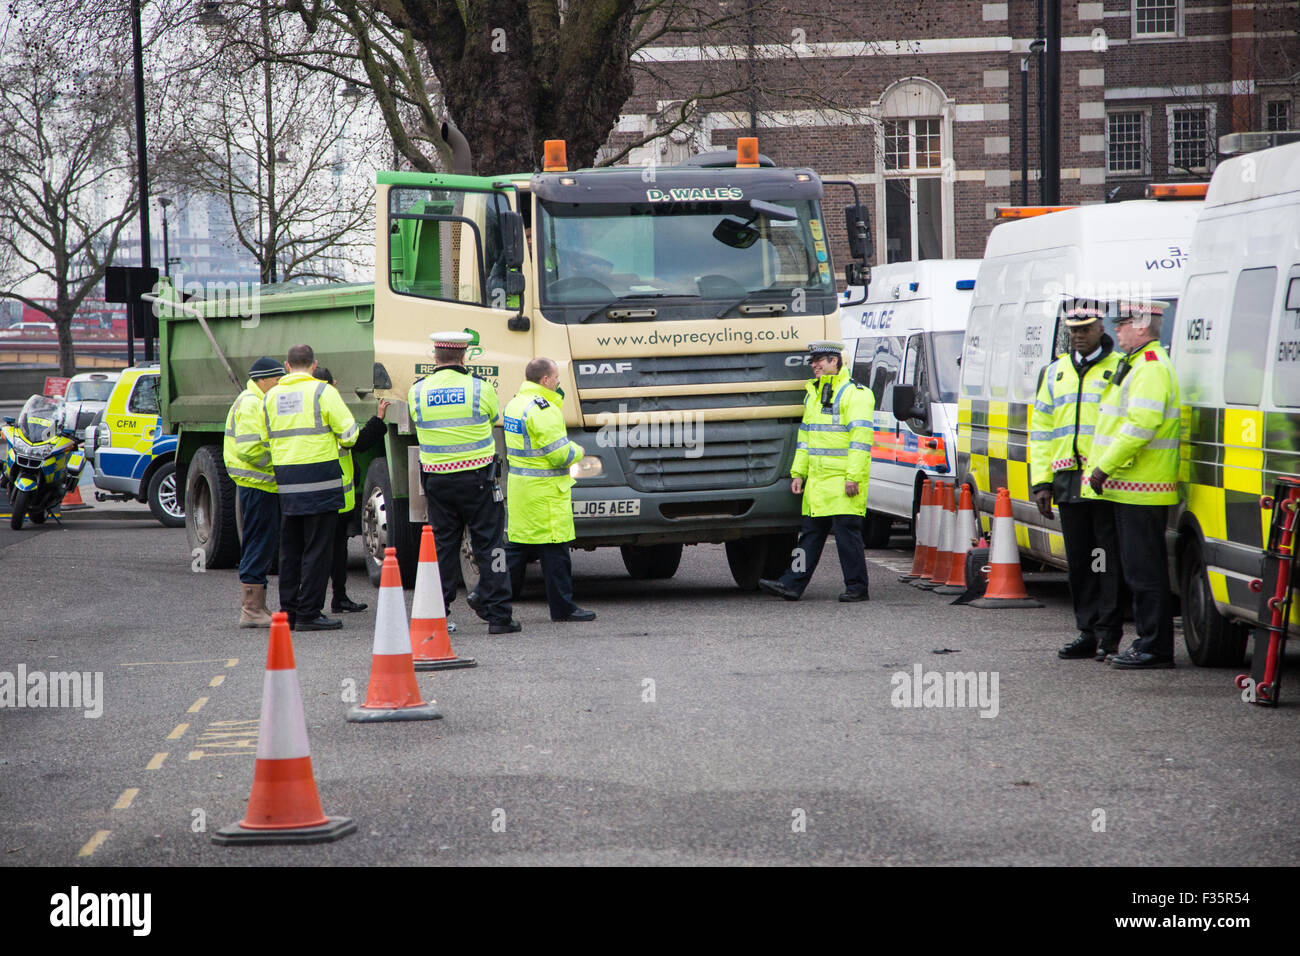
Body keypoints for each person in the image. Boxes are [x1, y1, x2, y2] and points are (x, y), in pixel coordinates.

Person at [1084, 300, 1180, 669]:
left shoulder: (1151, 368)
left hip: (1143, 486)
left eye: (1122, 324)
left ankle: (1154, 647)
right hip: (1131, 486)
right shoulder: (1139, 363)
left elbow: (1140, 425)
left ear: (1140, 326)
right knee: (1138, 569)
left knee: (1145, 571)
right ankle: (1148, 642)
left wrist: (1103, 467)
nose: (1116, 330)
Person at [1029, 300, 1125, 661]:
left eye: (1085, 329)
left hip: (1105, 482)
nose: (1079, 336)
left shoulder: (1120, 368)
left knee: (1105, 559)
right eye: (1073, 331)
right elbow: (1041, 431)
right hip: (1068, 480)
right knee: (1081, 562)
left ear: (1102, 328)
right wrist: (1041, 482)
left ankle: (1108, 634)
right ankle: (1086, 630)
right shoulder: (1055, 372)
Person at [408, 331, 519, 634]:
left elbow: (417, 421)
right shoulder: (479, 388)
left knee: (443, 547)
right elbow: (493, 416)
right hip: (478, 480)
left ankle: (438, 615)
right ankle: (498, 616)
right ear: (464, 356)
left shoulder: (416, 391)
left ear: (434, 357)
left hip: (437, 482)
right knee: (491, 546)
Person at [759, 340, 873, 601]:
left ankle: (857, 588)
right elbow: (806, 438)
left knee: (847, 536)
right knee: (809, 536)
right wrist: (798, 473)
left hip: (844, 480)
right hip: (819, 482)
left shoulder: (856, 394)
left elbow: (861, 440)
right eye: (813, 361)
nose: (814, 365)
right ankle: (791, 583)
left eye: (820, 360)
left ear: (836, 361)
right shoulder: (813, 394)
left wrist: (853, 477)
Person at [257, 344, 358, 631]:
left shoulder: (270, 396)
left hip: (287, 482)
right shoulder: (324, 392)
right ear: (314, 366)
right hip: (321, 481)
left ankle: (288, 610)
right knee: (318, 549)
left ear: (287, 366)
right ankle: (310, 613)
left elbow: (265, 439)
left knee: (290, 549)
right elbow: (349, 434)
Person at [501, 357, 595, 622]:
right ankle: (563, 608)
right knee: (556, 552)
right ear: (545, 380)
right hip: (546, 492)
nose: (557, 383)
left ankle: (487, 595)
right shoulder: (544, 409)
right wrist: (579, 451)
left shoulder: (515, 403)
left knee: (517, 549)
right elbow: (559, 455)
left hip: (522, 489)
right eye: (556, 378)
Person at [312, 367, 390, 615]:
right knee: (329, 550)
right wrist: (378, 420)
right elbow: (357, 441)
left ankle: (327, 601)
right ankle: (322, 604)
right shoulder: (331, 409)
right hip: (334, 493)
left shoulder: (309, 410)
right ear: (332, 383)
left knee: (325, 549)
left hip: (319, 493)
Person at [224, 356, 284, 628]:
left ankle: (257, 607)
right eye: (276, 379)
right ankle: (251, 610)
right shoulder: (252, 404)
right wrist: (279, 462)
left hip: (259, 485)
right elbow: (249, 449)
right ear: (262, 380)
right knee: (258, 544)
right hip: (258, 484)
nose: (279, 384)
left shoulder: (254, 400)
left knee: (260, 543)